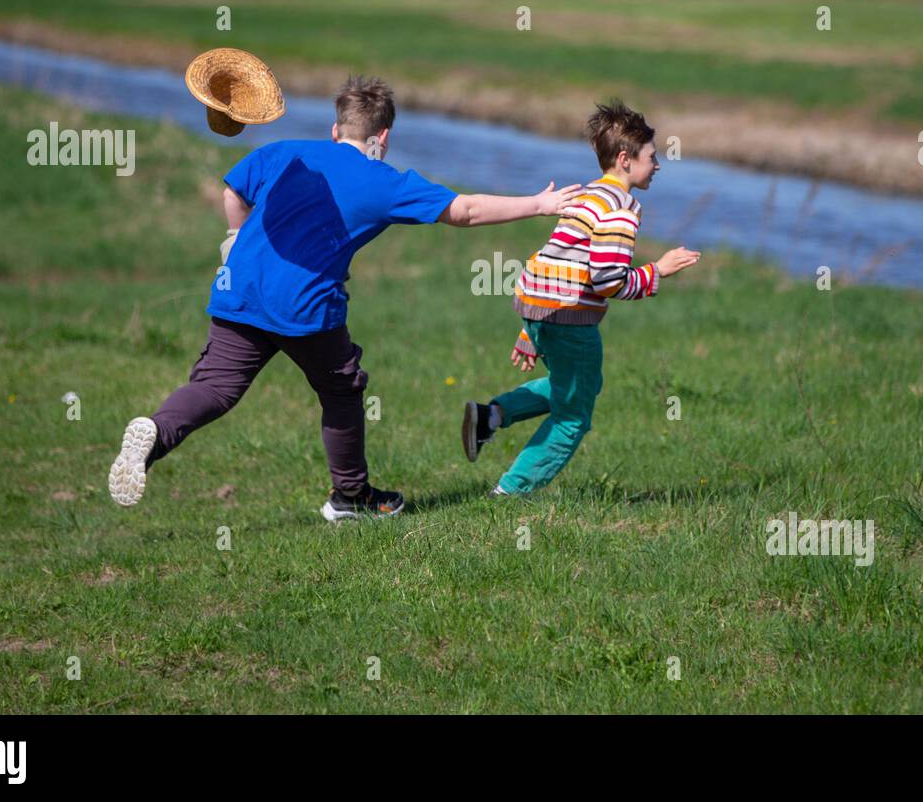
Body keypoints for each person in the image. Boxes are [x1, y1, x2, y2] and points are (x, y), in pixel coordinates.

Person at [109, 74, 581, 520]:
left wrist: (233, 238)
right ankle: (351, 496)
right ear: (385, 136)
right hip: (305, 307)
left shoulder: (284, 151)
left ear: (335, 129)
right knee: (341, 390)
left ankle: (153, 435)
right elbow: (465, 210)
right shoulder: (384, 180)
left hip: (240, 290)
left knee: (214, 387)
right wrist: (539, 204)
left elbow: (233, 189)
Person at [462, 100, 700, 495]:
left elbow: (555, 258)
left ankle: (491, 415)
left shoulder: (587, 197)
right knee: (574, 416)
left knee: (578, 383)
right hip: (569, 318)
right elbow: (607, 280)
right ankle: (510, 493)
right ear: (625, 159)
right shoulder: (622, 209)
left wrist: (530, 329)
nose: (657, 166)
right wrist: (658, 270)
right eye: (651, 158)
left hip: (539, 306)